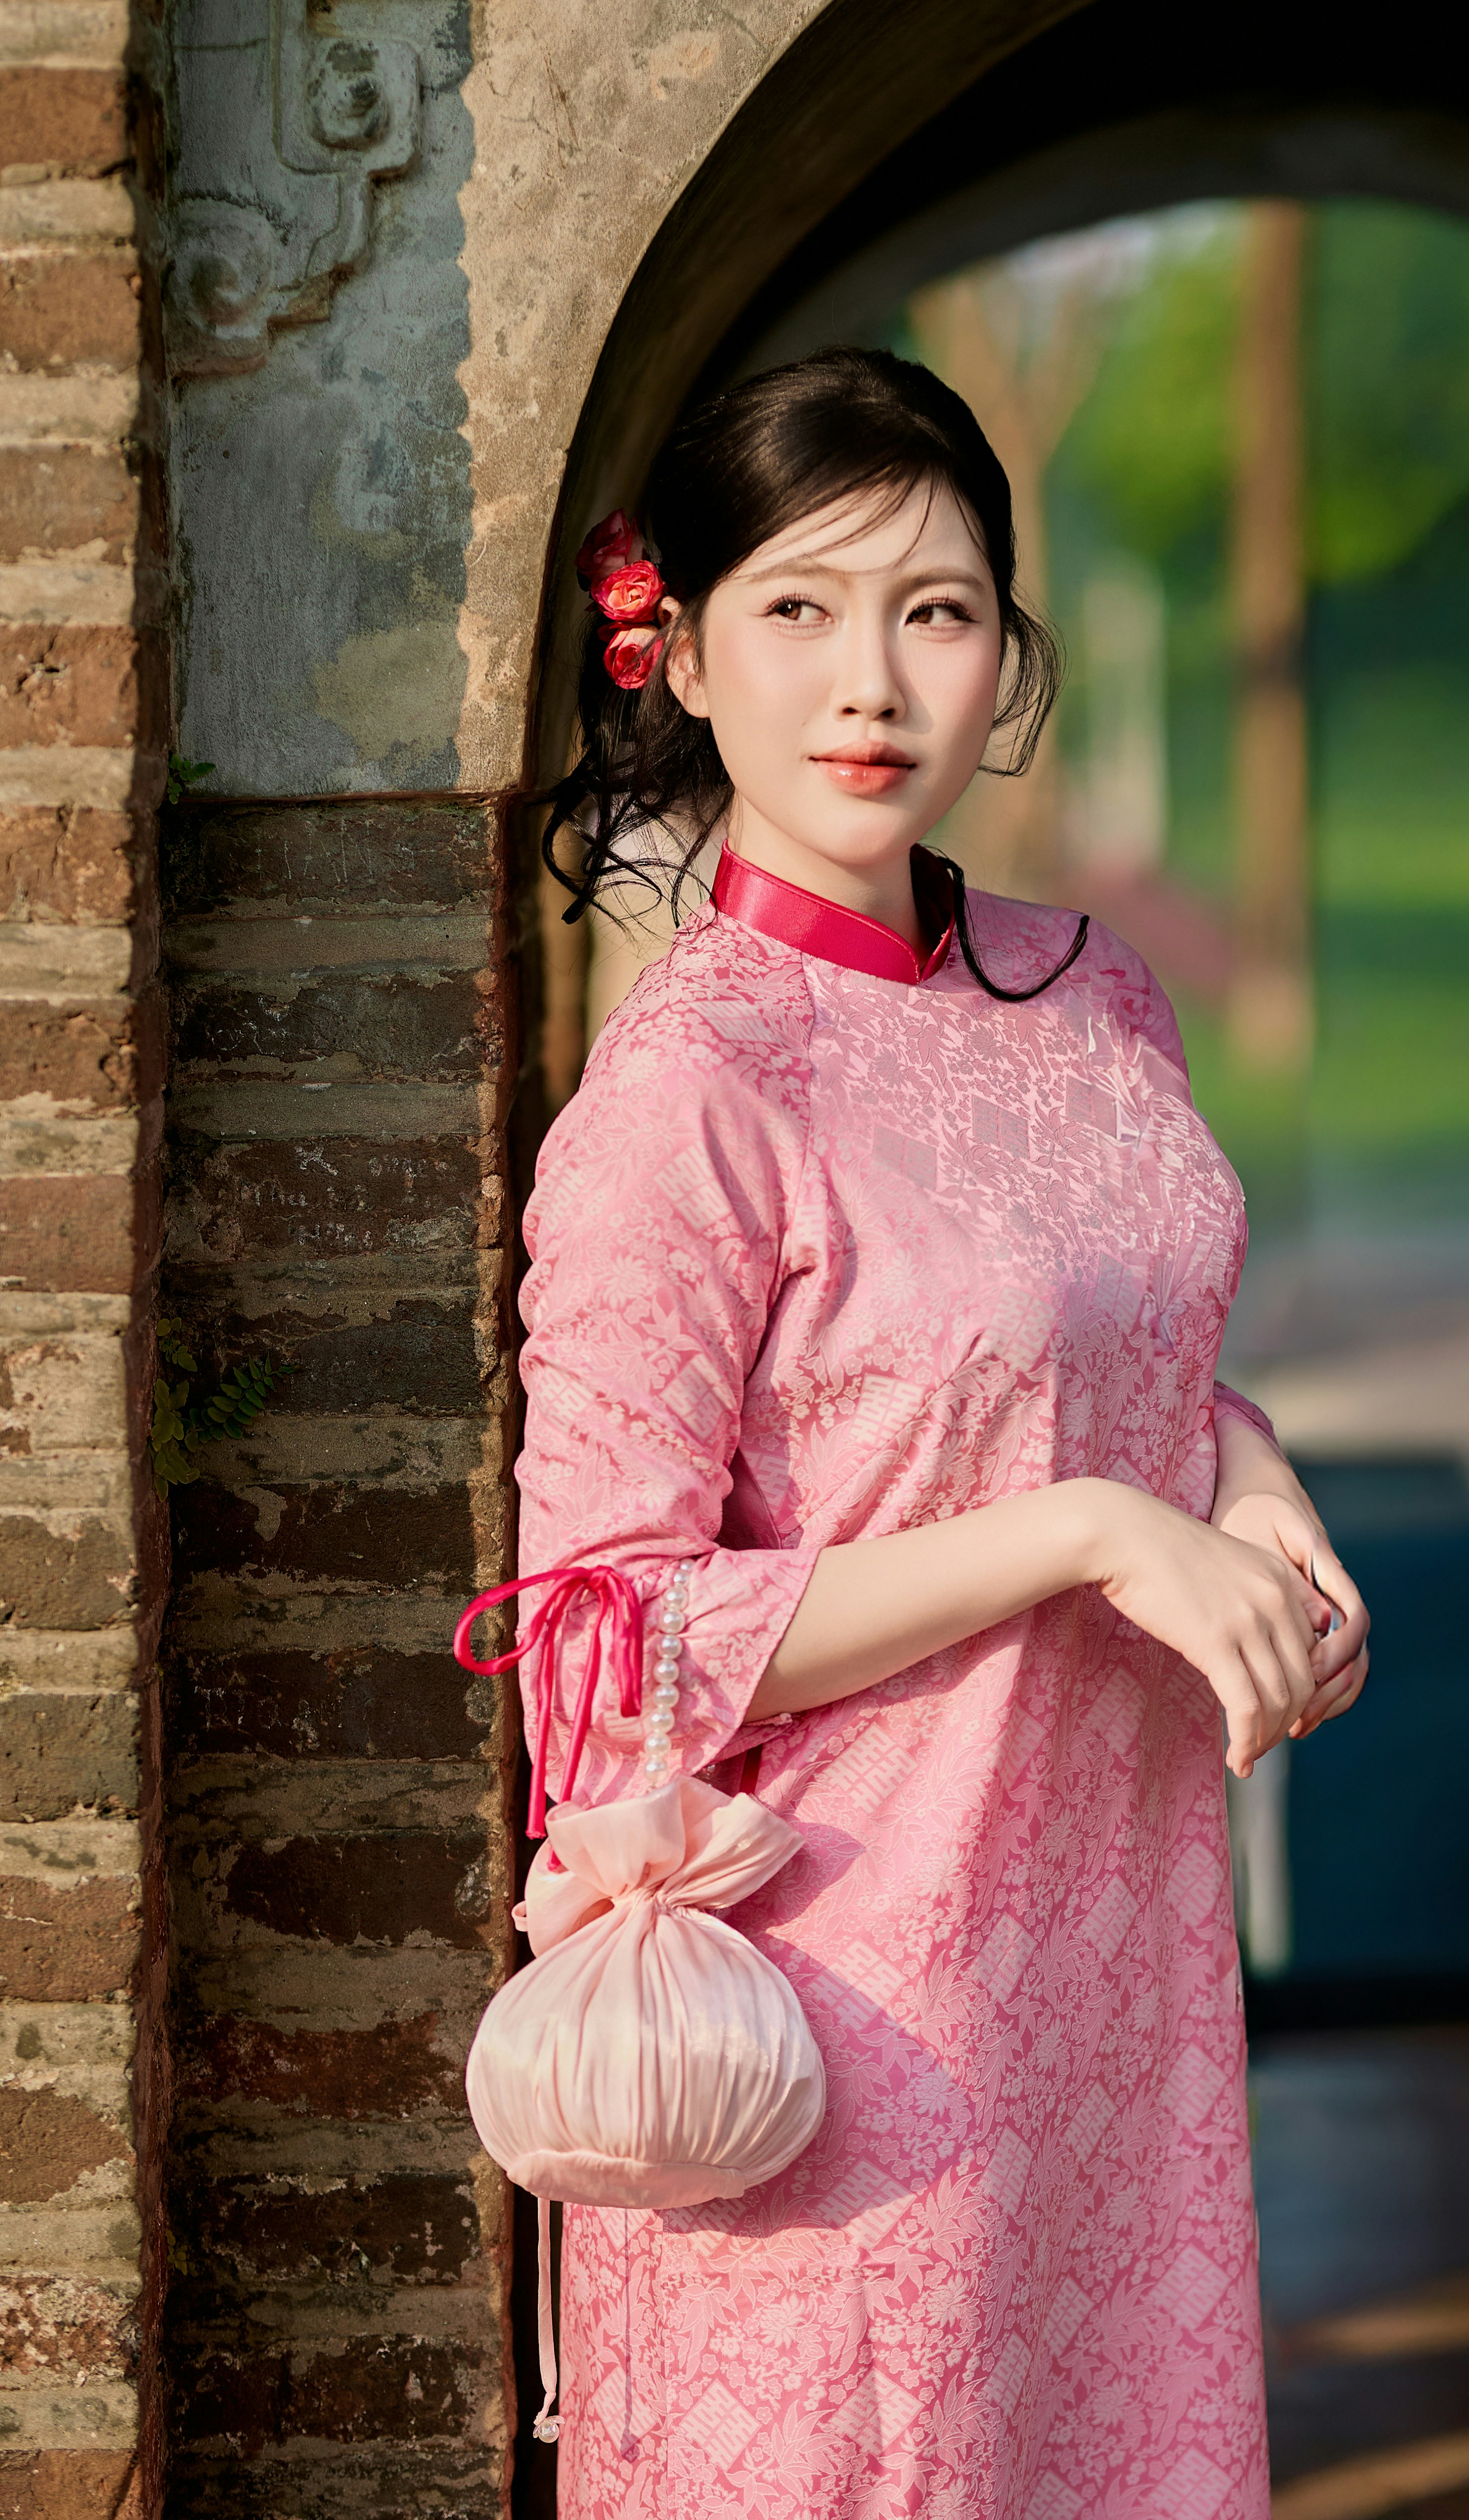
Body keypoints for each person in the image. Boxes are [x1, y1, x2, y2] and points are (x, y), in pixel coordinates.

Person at [514, 347, 1369, 2519]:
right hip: (849, 2038)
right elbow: (599, 1648)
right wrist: (1096, 1530)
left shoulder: (1093, 993)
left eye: (938, 610)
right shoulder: (687, 1093)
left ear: (1007, 651)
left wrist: (1249, 1489)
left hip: (1119, 2005)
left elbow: (1122, 1366)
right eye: (799, 609)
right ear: (677, 645)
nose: (872, 681)